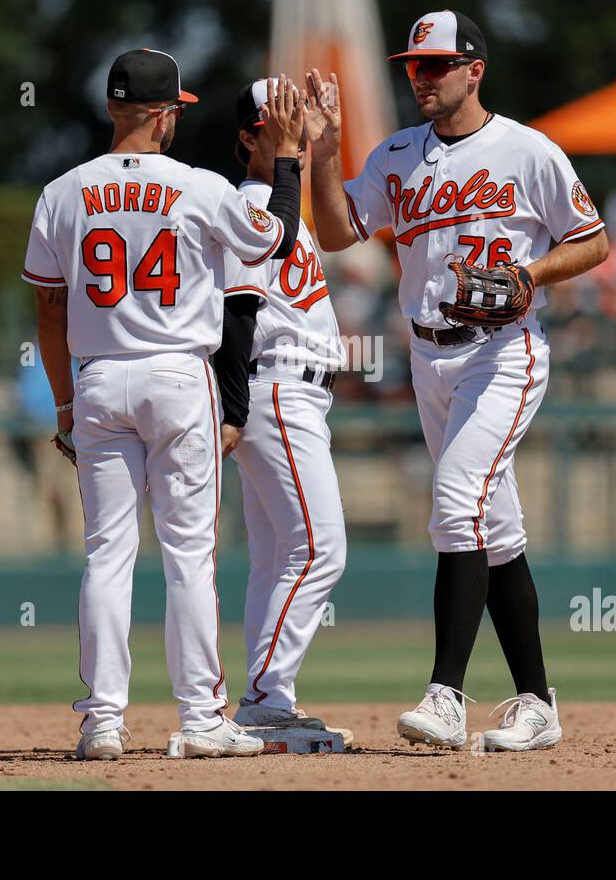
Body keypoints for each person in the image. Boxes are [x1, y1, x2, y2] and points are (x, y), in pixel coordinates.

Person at [304, 10, 609, 752]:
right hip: (427, 356)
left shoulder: (527, 151)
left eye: (438, 64)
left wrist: (529, 273)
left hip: (502, 351)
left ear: (476, 70)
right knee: (495, 530)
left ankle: (446, 694)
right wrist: (324, 151)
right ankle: (538, 703)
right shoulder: (398, 154)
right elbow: (339, 230)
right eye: (415, 65)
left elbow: (593, 241)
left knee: (455, 499)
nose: (424, 77)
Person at [23, 49, 303, 761]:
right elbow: (276, 241)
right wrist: (291, 161)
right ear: (162, 113)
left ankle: (103, 722)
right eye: (176, 107)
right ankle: (202, 718)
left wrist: (63, 406)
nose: (179, 116)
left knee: (107, 556)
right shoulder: (198, 186)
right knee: (188, 557)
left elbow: (49, 312)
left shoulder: (62, 191)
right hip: (179, 377)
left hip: (98, 379)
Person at [212, 79, 349, 737]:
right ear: (247, 137)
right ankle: (266, 698)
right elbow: (245, 303)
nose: (296, 128)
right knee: (321, 549)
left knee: (275, 559)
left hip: (299, 391)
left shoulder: (280, 199)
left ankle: (269, 698)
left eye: (300, 115)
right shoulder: (246, 206)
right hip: (276, 387)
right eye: (281, 121)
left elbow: (326, 207)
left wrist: (326, 139)